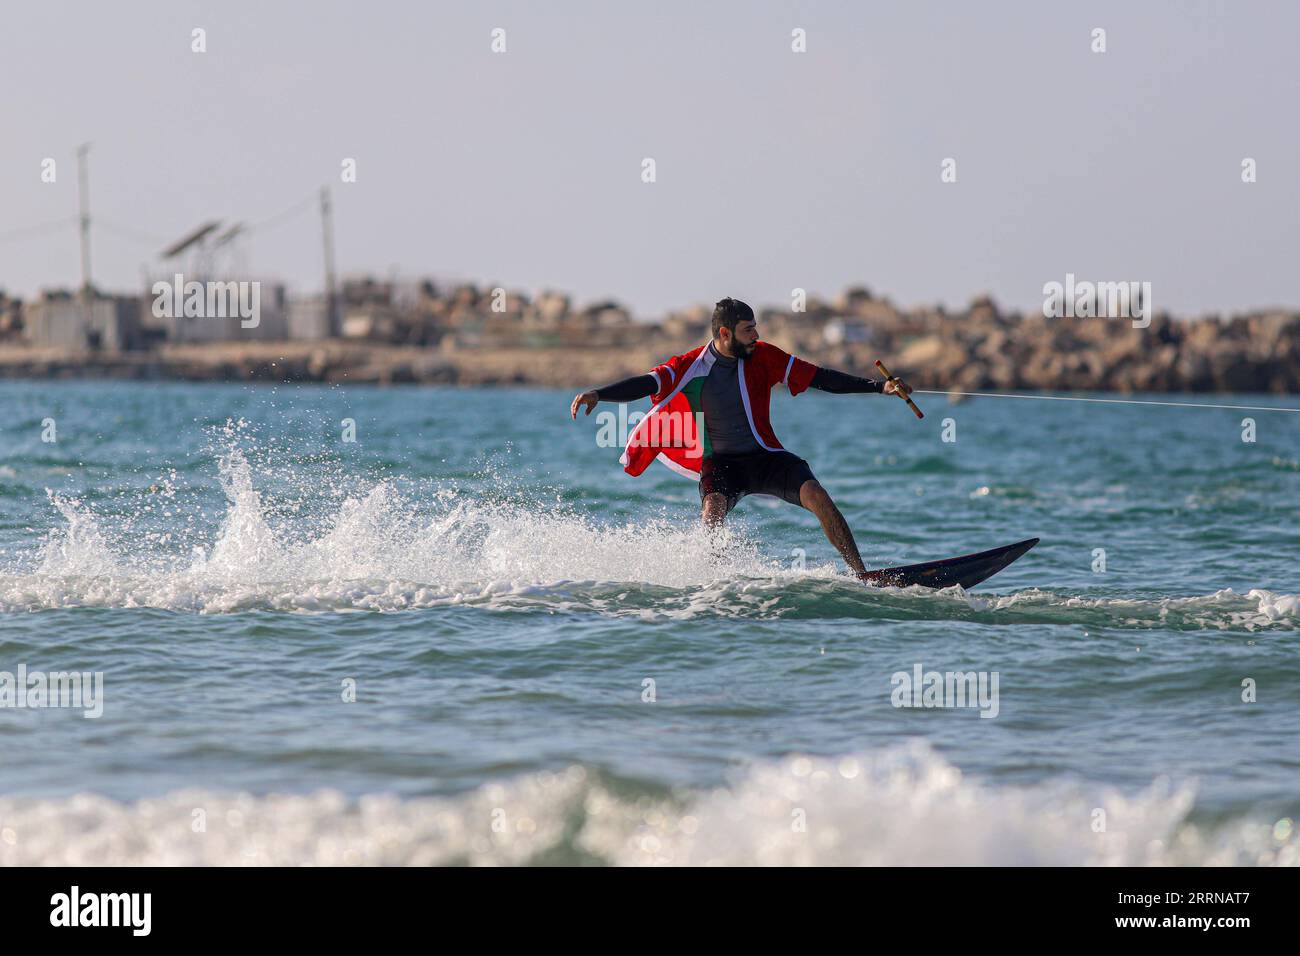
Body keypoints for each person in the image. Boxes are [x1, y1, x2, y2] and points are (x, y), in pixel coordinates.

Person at [570, 297, 912, 580]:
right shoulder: (690, 365)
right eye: (748, 330)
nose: (756, 335)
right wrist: (599, 395)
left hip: (766, 457)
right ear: (724, 333)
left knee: (817, 495)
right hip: (722, 464)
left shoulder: (765, 356)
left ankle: (863, 575)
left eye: (755, 328)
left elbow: (819, 377)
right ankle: (714, 581)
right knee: (712, 511)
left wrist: (879, 387)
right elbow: (646, 383)